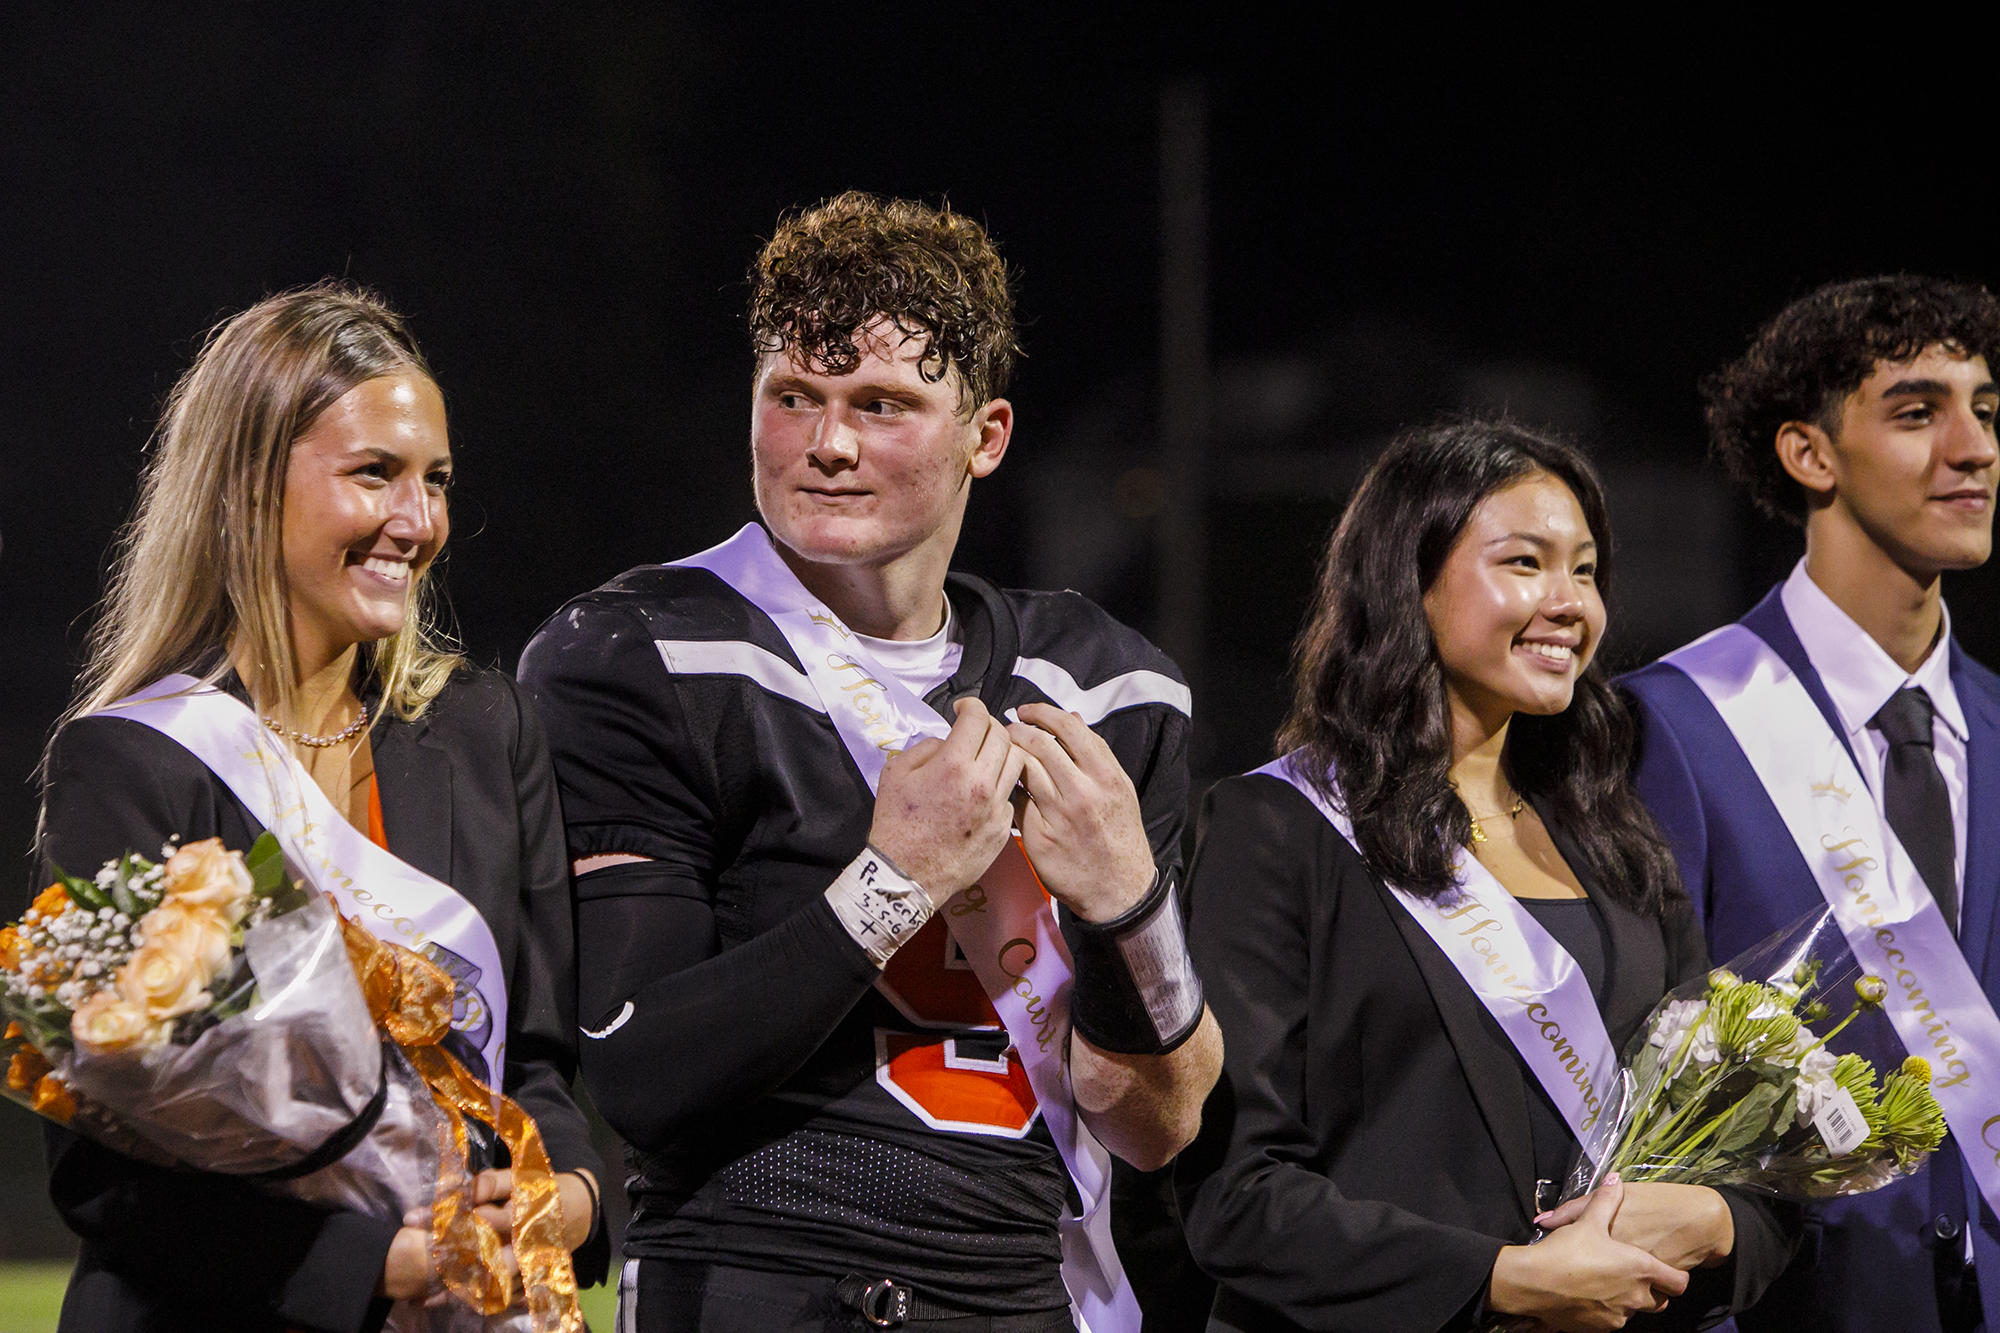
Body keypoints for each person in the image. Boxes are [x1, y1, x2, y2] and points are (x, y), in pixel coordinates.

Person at [518, 191, 1223, 1333]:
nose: (827, 443)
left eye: (882, 404)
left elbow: (1155, 1123)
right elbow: (638, 1072)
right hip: (755, 1275)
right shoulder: (639, 649)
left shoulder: (1103, 686)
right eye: (793, 397)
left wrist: (1124, 906)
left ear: (984, 436)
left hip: (1024, 1290)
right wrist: (893, 881)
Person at [35, 282, 608, 1333]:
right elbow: (101, 1164)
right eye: (374, 475)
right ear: (248, 486)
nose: (418, 521)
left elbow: (532, 1060)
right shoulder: (132, 762)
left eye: (433, 480)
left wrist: (561, 1194)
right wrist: (373, 1262)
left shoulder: (486, 731)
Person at [1175, 421, 1798, 1332]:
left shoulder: (1620, 840)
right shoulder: (1279, 829)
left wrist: (1712, 1220)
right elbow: (1234, 1196)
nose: (1568, 602)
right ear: (1409, 582)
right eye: (1525, 563)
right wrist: (1507, 1279)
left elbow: (1752, 1179)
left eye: (1585, 571)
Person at [1621, 275, 2000, 1333]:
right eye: (1919, 411)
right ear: (1810, 454)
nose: (1970, 447)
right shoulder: (1673, 725)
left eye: (1984, 409)